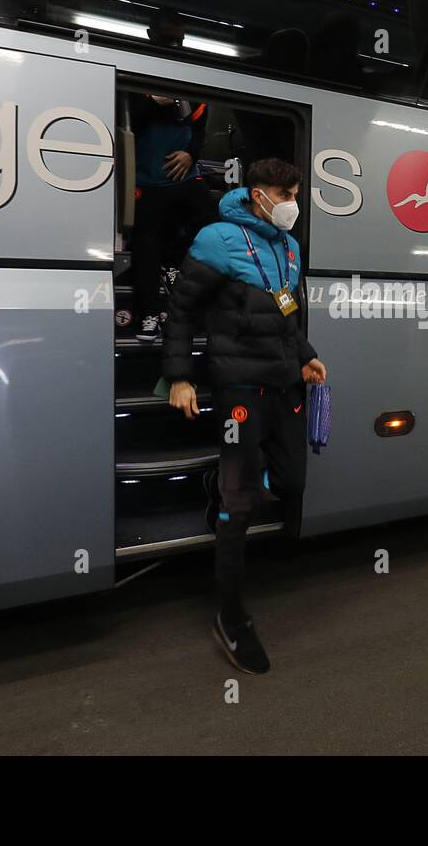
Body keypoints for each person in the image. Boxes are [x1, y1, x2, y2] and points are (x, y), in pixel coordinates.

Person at [162, 158, 327, 674]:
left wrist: (305, 353)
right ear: (257, 194)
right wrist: (180, 377)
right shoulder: (218, 238)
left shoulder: (288, 246)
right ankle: (231, 618)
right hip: (238, 385)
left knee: (293, 482)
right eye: (284, 193)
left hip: (282, 382)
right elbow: (182, 311)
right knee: (243, 499)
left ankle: (222, 486)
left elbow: (285, 312)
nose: (291, 204)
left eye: (295, 193)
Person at [128, 93, 212, 343]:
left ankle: (171, 262)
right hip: (147, 178)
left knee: (208, 223)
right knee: (146, 243)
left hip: (184, 175)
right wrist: (153, 103)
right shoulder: (136, 96)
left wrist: (190, 154)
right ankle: (149, 314)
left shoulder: (196, 97)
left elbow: (198, 133)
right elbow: (127, 125)